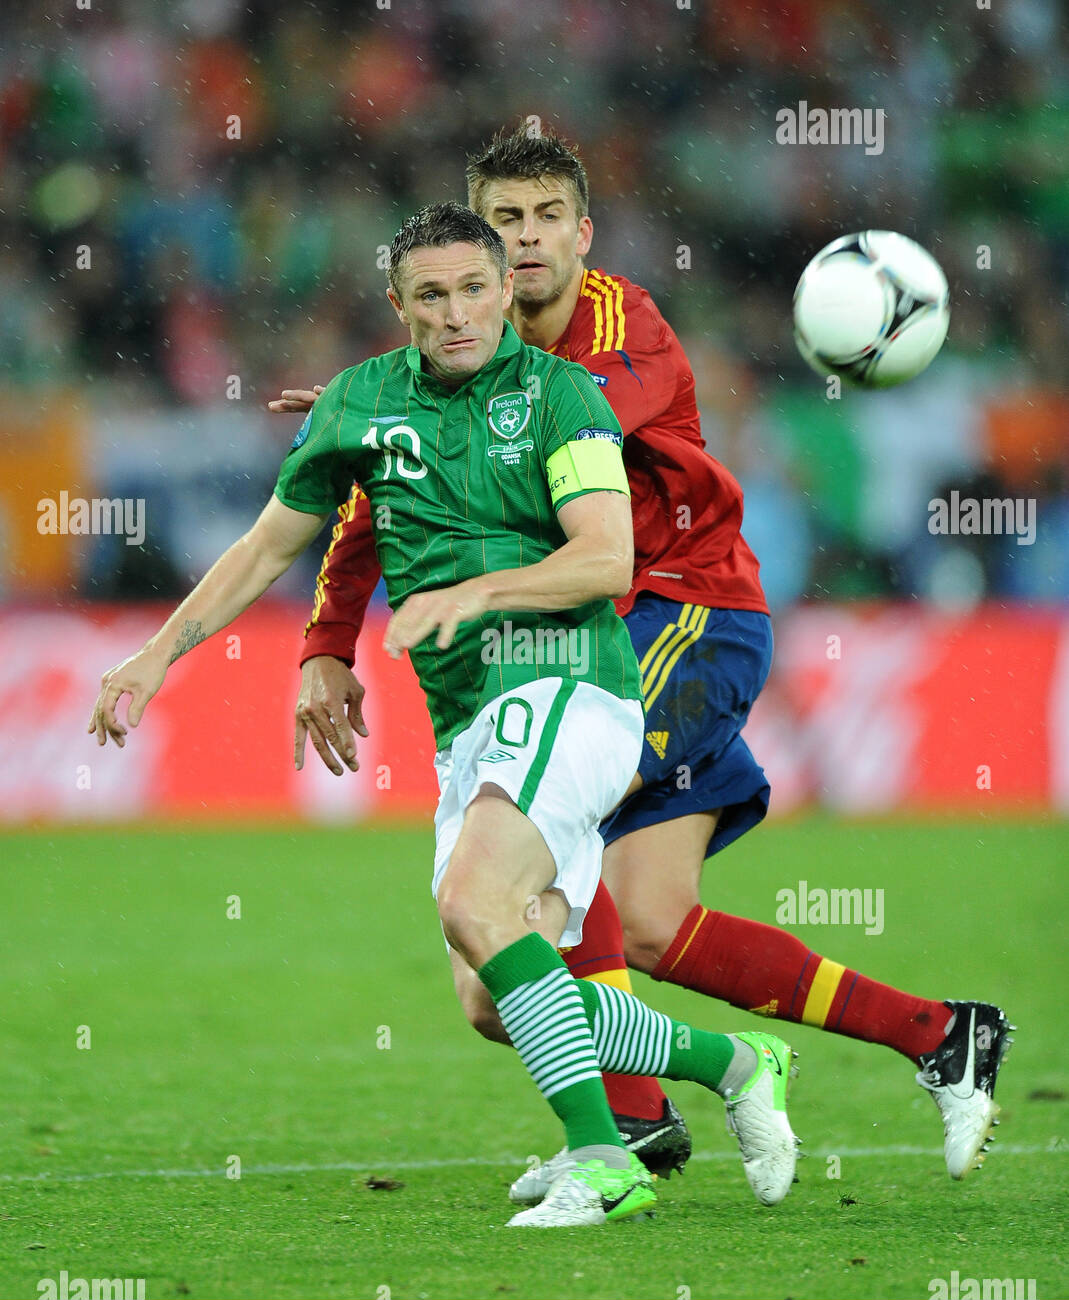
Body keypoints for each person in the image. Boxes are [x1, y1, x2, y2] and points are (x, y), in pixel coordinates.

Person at [271, 129, 1014, 1198]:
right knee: (654, 924)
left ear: (583, 233)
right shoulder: (450, 352)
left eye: (543, 221)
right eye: (504, 221)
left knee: (556, 819)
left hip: (687, 610)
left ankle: (620, 1120)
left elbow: (553, 426)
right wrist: (328, 637)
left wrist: (397, 404)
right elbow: (369, 508)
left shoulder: (627, 329)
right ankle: (943, 1034)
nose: (524, 242)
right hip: (596, 633)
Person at [90, 202, 800, 1228]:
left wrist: (477, 594)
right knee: (491, 993)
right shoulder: (360, 402)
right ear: (399, 305)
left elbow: (603, 556)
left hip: (572, 685)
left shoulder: (564, 397)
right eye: (431, 295)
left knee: (476, 898)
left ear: (506, 290)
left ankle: (604, 1158)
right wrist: (159, 653)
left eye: (475, 288)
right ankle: (738, 1060)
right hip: (470, 718)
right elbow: (263, 546)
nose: (457, 313)